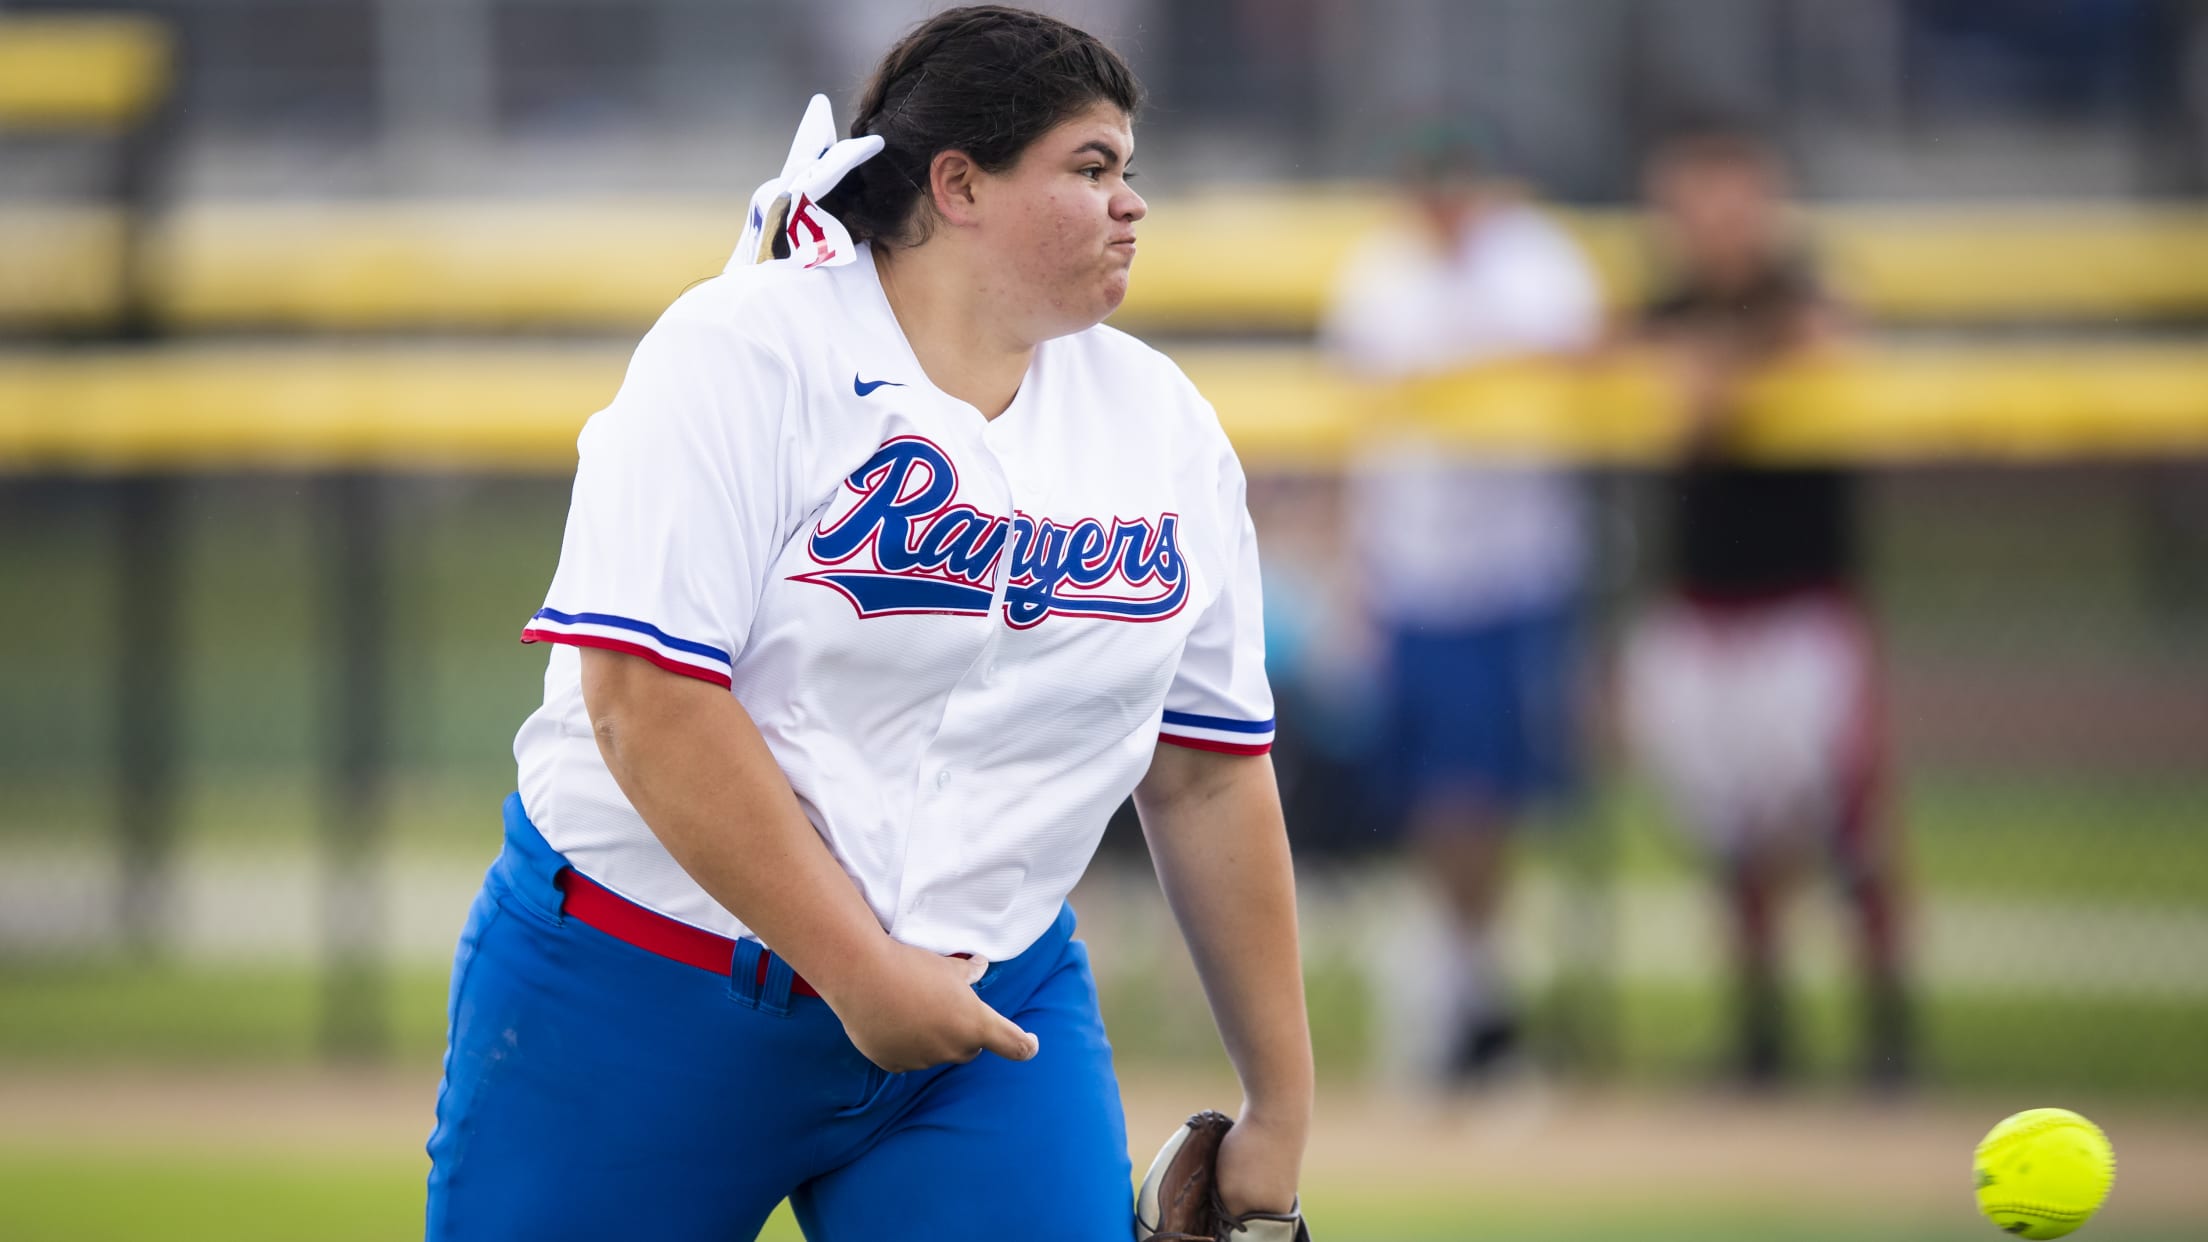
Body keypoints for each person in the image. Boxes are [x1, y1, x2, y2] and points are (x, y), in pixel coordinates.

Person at [423, 8, 1314, 1240]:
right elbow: (645, 700)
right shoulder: (742, 352)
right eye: (1091, 166)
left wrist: (1280, 1104)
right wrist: (856, 966)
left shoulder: (1160, 426)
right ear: (958, 183)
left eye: (1130, 170)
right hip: (641, 992)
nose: (1132, 204)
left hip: (985, 1021)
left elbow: (1209, 775)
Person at [1617, 122, 1910, 1089]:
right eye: (1693, 198)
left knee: (1849, 827)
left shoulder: (1803, 288)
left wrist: (1722, 372)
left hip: (1803, 607)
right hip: (1703, 606)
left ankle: (1887, 1038)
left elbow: (1829, 333)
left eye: (1731, 194)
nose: (1713, 220)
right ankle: (1763, 1035)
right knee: (1736, 831)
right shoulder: (1666, 301)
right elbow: (1607, 356)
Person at [1321, 126, 1603, 1083]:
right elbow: (1358, 411)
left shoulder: (1538, 257)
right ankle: (1458, 995)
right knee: (1435, 793)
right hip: (1415, 567)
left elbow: (1582, 364)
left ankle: (1474, 995)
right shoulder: (1380, 270)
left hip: (1518, 567)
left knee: (1496, 792)